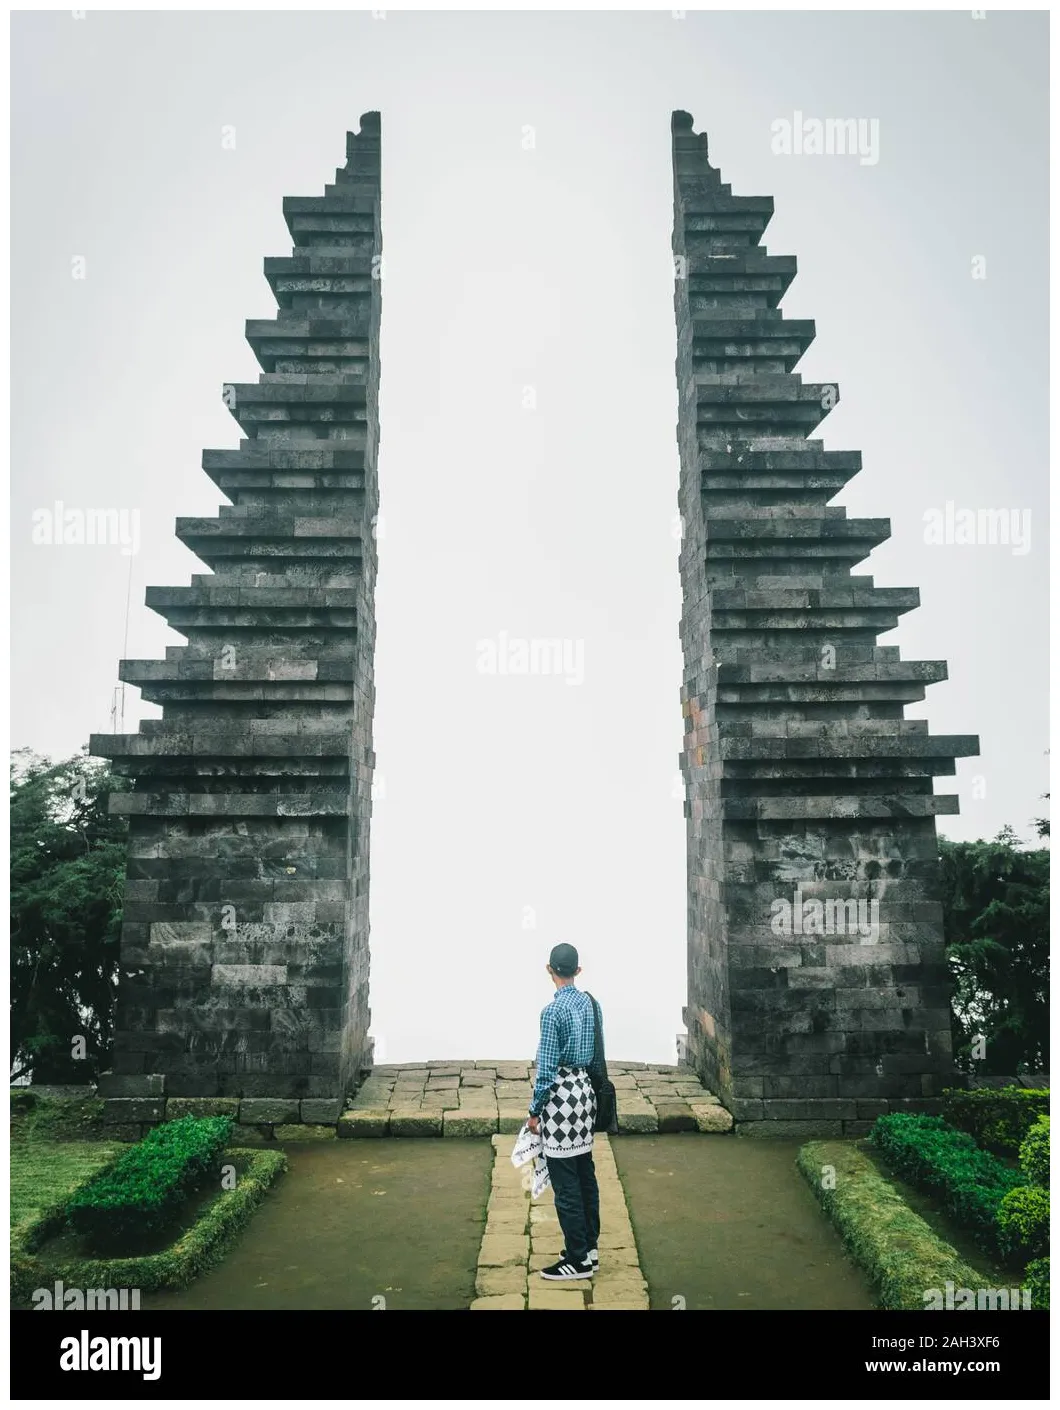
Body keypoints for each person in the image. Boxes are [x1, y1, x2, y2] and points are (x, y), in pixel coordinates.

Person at [527, 942, 601, 1281]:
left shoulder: (551, 1013)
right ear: (578, 971)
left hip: (560, 1099)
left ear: (549, 970)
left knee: (565, 1182)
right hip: (585, 1093)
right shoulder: (590, 1003)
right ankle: (590, 1248)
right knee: (585, 1174)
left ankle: (577, 1259)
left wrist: (534, 1111)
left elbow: (546, 1070)